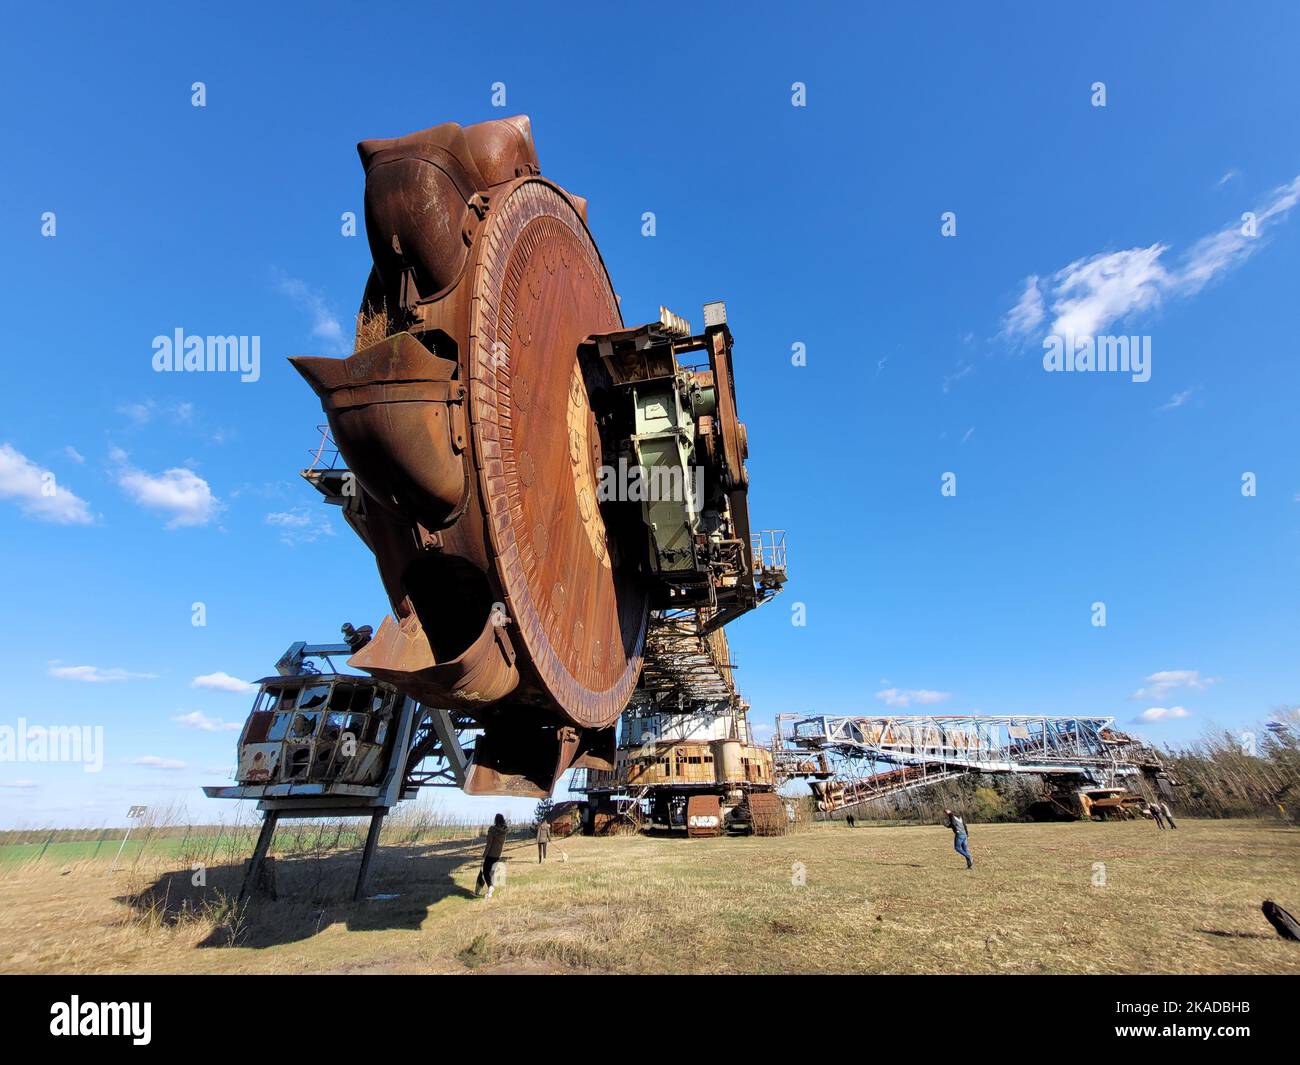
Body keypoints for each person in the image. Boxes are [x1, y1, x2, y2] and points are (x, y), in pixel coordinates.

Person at [475, 813, 509, 898]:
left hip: (490, 854)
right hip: (498, 855)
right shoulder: (504, 831)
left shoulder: (492, 830)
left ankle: (490, 887)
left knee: (485, 872)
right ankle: (483, 891)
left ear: (495, 820)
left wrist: (484, 855)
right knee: (490, 873)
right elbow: (503, 844)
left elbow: (489, 844)